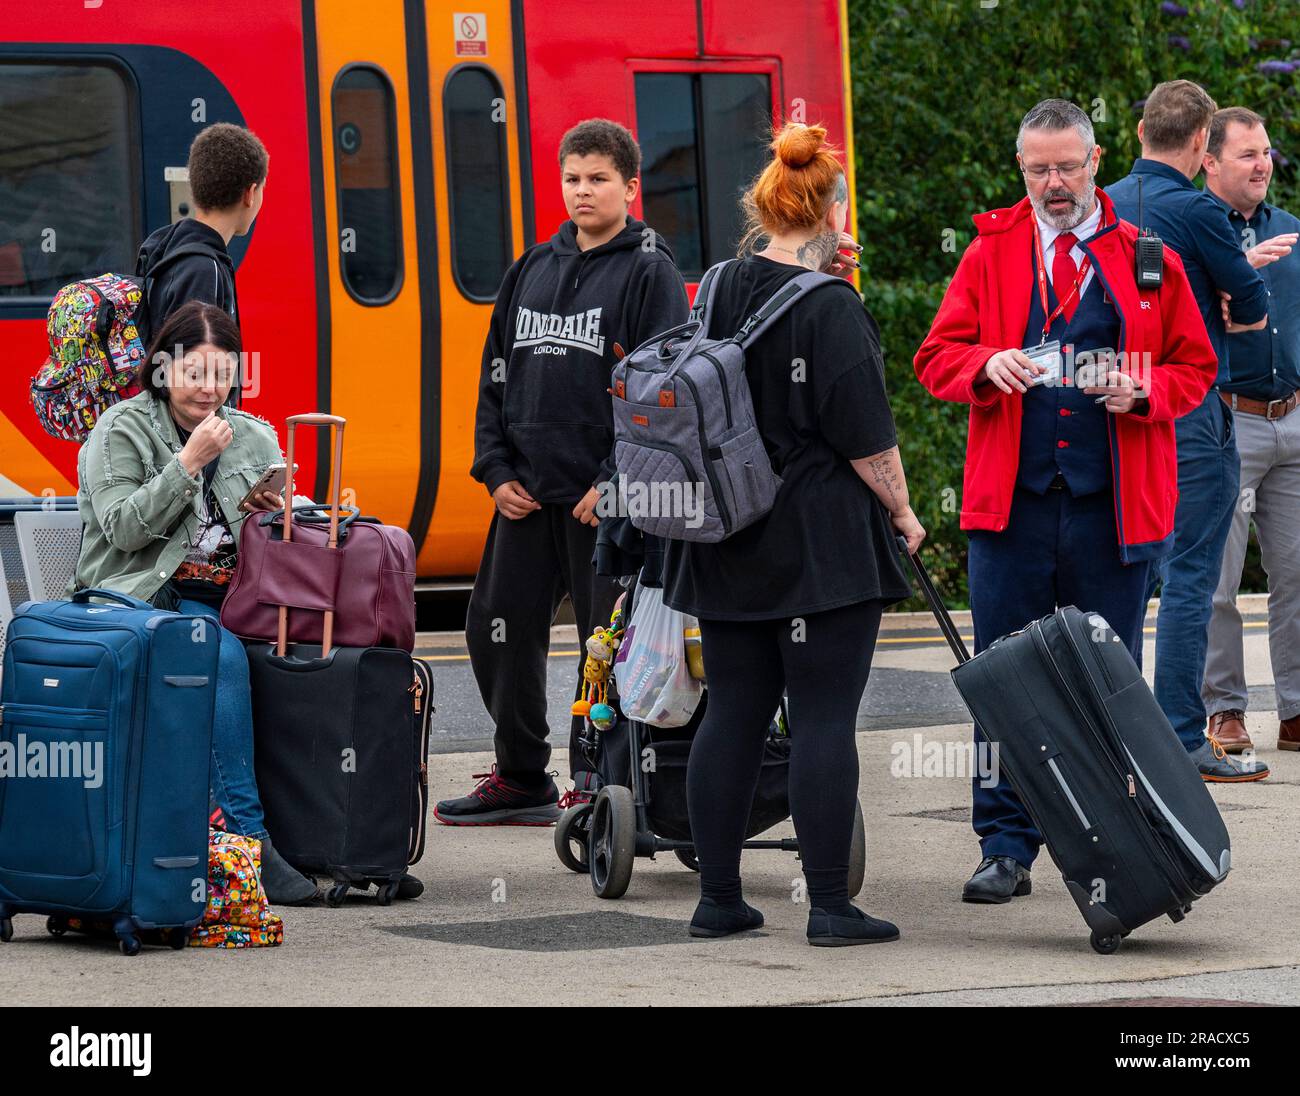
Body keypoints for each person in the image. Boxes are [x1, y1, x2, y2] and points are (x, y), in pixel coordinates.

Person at [914, 99, 1218, 903]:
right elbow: (935, 354)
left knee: (1111, 684)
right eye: (1036, 169)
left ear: (1096, 161)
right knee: (998, 684)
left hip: (1111, 508)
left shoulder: (1147, 254)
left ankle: (1121, 842)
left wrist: (1143, 388)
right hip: (1010, 509)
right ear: (1022, 170)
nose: (1052, 184)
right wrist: (987, 366)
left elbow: (1196, 366)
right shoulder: (990, 251)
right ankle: (1003, 844)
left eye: (1066, 167)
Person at [662, 122, 922, 946]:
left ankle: (719, 898)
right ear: (833, 212)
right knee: (819, 718)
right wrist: (907, 514)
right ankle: (831, 908)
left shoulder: (719, 288)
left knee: (732, 712)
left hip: (724, 533)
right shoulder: (833, 308)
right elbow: (866, 438)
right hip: (818, 546)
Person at [72, 302, 396, 906]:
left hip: (243, 600)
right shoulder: (121, 429)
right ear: (163, 370)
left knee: (327, 660)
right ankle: (249, 841)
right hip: (143, 601)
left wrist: (276, 519)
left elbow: (285, 538)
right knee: (217, 655)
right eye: (195, 373)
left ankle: (340, 838)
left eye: (223, 373)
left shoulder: (253, 433)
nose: (210, 388)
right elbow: (121, 530)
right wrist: (186, 463)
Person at [437, 119, 689, 825]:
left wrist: (615, 480)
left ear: (630, 187)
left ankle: (594, 781)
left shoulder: (650, 271)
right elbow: (494, 378)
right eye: (573, 178)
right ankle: (522, 777)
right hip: (525, 495)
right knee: (495, 626)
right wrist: (494, 469)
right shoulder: (530, 269)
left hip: (605, 502)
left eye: (599, 179)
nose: (583, 191)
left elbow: (662, 391)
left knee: (602, 647)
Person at [1107, 81, 1274, 782]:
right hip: (1188, 408)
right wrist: (1226, 303)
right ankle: (1180, 739)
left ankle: (1108, 735)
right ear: (1203, 143)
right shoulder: (1203, 212)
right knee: (1190, 575)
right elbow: (1256, 304)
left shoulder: (1101, 204)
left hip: (1111, 404)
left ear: (1141, 129)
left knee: (1117, 575)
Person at [1200, 107, 1300, 755]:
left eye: (1266, 152)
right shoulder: (1194, 230)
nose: (1263, 163)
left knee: (1298, 574)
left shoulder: (1292, 230)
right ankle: (1225, 710)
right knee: (1218, 579)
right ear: (1209, 162)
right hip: (1228, 420)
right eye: (1247, 154)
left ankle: (1295, 711)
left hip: (1294, 418)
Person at [136, 123, 267, 402]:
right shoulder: (204, 269)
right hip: (193, 442)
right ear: (250, 194)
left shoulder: (169, 247)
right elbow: (194, 387)